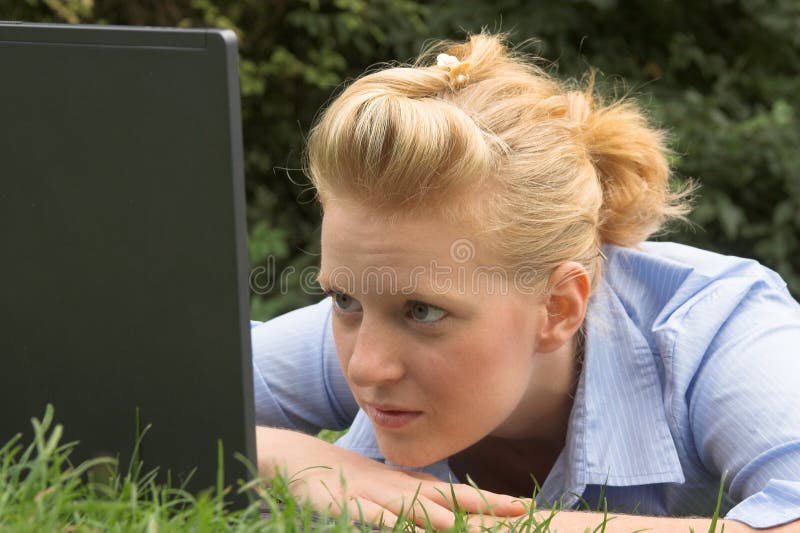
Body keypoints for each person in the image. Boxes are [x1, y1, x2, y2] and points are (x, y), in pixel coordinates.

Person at [250, 32, 800, 531]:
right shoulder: (377, 310)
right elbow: (167, 388)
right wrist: (286, 456)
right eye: (344, 298)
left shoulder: (722, 328)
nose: (365, 366)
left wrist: (459, 522)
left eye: (423, 312)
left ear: (558, 308)